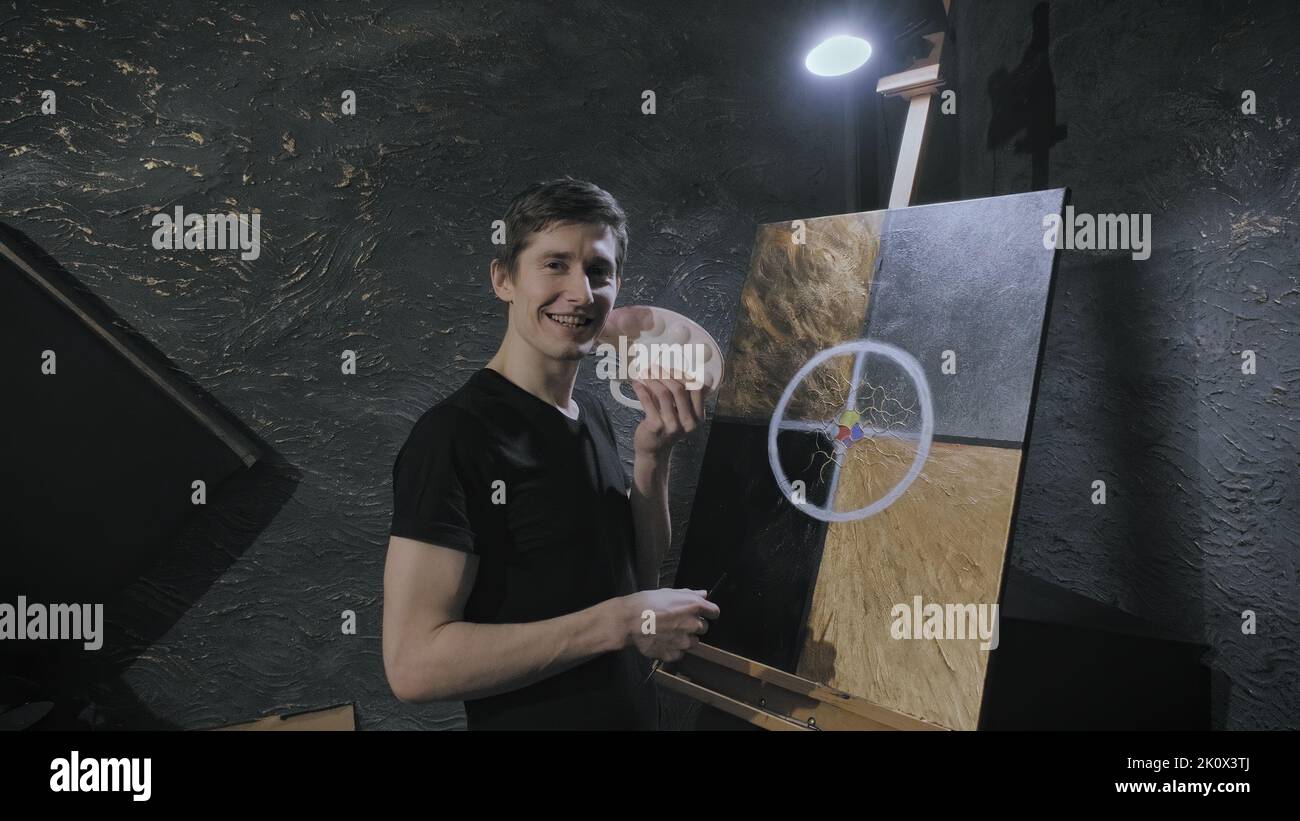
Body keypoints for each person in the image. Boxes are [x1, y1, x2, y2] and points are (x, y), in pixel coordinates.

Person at [382, 178, 719, 729]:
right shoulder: (453, 436)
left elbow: (637, 574)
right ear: (503, 279)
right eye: (555, 264)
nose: (581, 293)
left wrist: (652, 458)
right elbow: (413, 667)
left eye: (598, 271)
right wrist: (619, 623)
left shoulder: (590, 414)